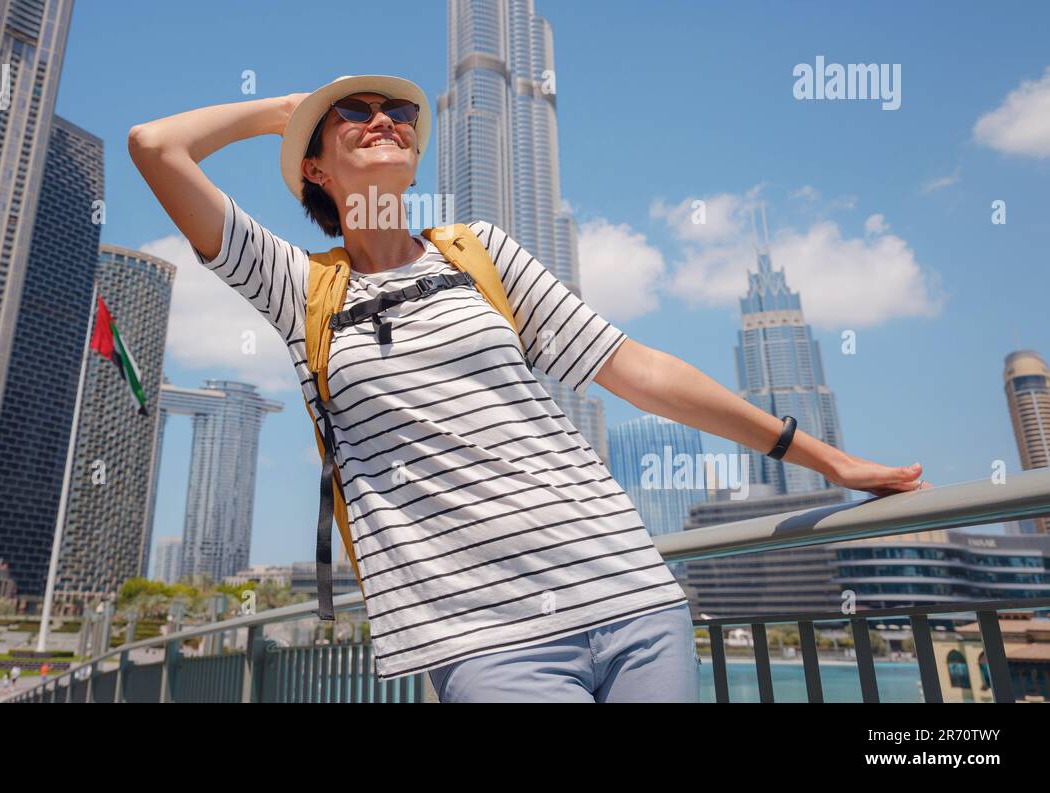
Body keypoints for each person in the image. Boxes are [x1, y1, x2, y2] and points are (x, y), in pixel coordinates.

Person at [128, 74, 928, 703]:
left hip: (627, 587)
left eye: (399, 110)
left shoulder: (480, 255)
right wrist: (287, 110)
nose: (385, 120)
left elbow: (637, 370)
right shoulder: (297, 285)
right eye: (356, 113)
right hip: (480, 635)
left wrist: (822, 457)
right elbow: (155, 146)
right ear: (313, 164)